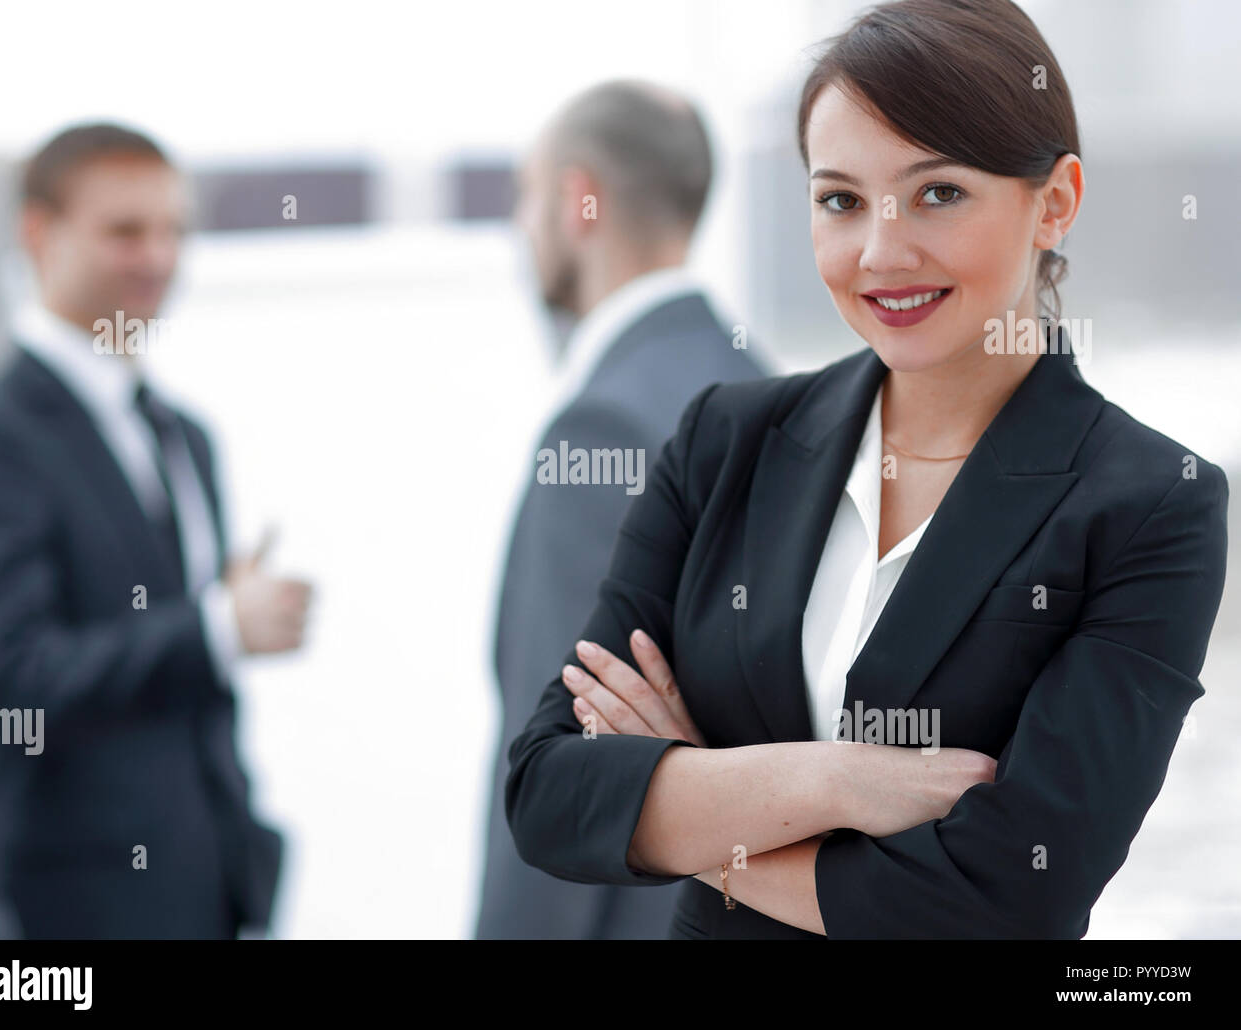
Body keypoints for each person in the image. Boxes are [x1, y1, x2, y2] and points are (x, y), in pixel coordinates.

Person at [505, 0, 1228, 939]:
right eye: (841, 200)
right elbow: (550, 792)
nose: (882, 254)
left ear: (1055, 202)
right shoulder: (727, 439)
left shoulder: (1150, 504)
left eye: (938, 193)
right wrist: (834, 779)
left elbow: (1007, 897)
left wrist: (690, 793)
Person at [0, 123, 312, 938]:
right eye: (126, 231)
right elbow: (7, 679)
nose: (159, 256)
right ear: (39, 234)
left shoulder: (183, 433)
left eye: (175, 231)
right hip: (65, 914)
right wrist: (216, 628)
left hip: (206, 892)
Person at [476, 81, 768, 939]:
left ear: (576, 201)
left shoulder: (602, 423)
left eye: (526, 200)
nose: (523, 230)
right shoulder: (770, 390)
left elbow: (563, 771)